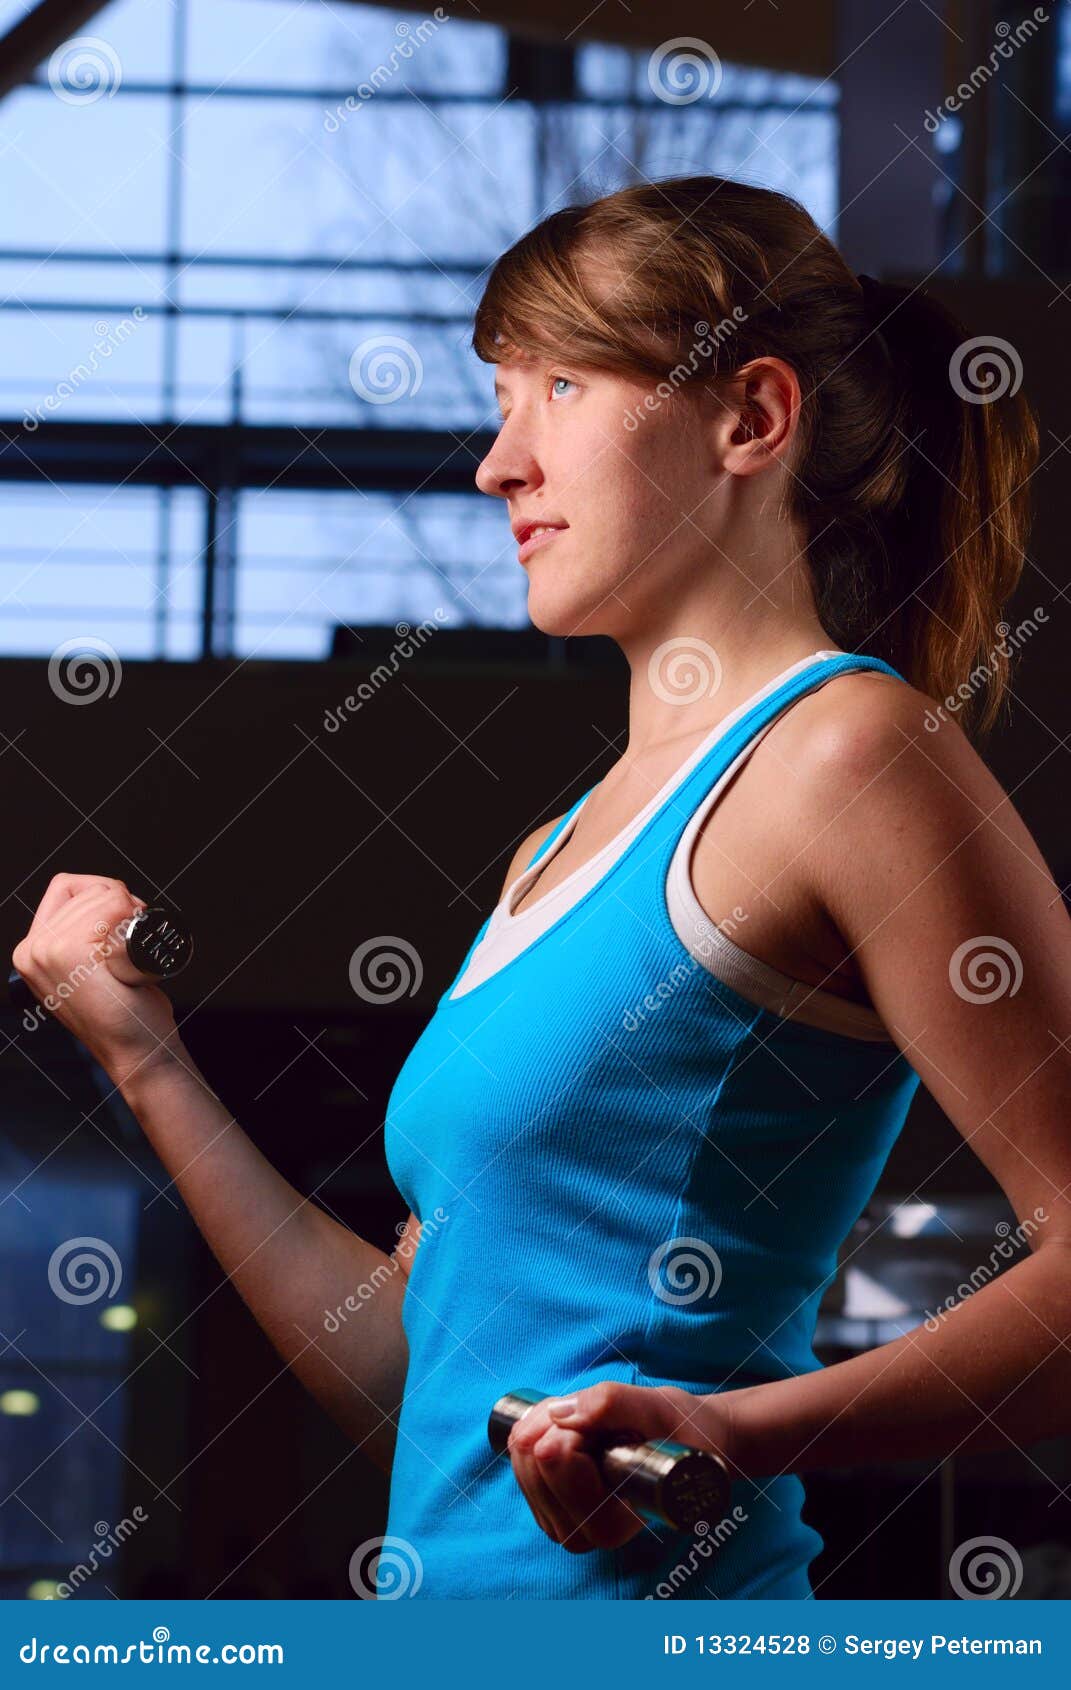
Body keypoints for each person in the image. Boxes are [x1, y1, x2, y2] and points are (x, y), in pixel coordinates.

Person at [14, 176, 1070, 1603]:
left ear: (748, 419)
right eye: (503, 398)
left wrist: (737, 1430)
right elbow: (424, 1387)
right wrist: (146, 1058)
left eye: (558, 386)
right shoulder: (555, 847)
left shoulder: (850, 755)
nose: (497, 464)